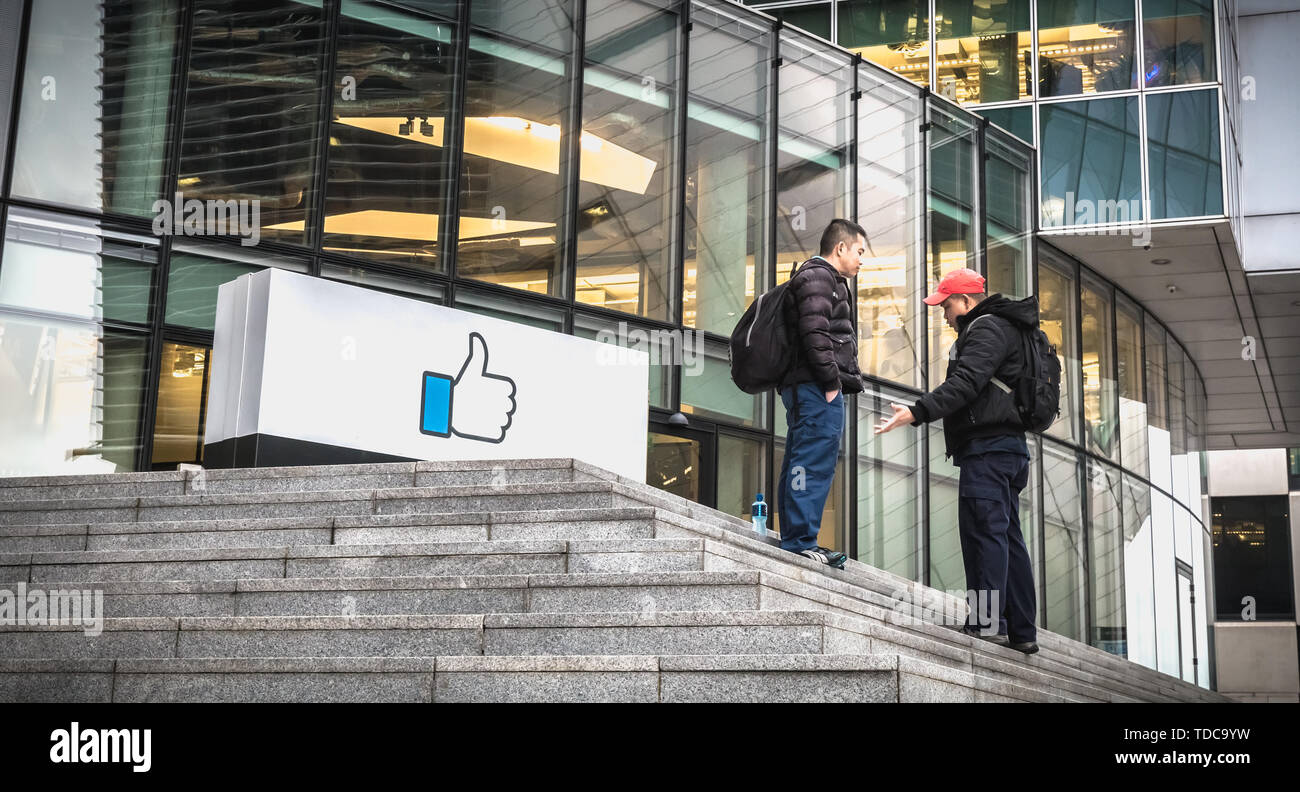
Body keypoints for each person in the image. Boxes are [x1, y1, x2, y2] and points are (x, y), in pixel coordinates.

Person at [873, 268, 1040, 655]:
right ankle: (1022, 630)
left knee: (984, 535)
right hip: (1008, 449)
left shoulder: (985, 328)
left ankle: (986, 622)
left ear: (965, 301)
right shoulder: (1008, 327)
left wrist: (917, 411)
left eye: (946, 306)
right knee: (1007, 537)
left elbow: (966, 382)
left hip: (988, 450)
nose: (945, 315)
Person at [776, 219, 867, 569]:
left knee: (804, 458)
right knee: (811, 461)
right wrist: (831, 384)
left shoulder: (822, 279)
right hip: (815, 387)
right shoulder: (818, 277)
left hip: (809, 386)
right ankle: (800, 540)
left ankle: (797, 537)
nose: (861, 260)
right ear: (840, 248)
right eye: (859, 252)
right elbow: (815, 333)